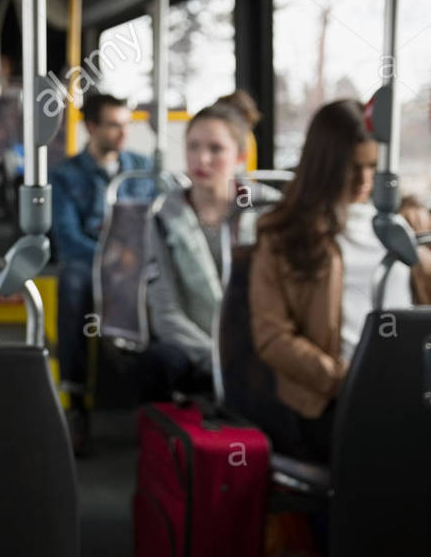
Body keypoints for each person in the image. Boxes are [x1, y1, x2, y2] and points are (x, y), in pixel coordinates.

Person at [250, 99, 431, 463]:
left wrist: (419, 239)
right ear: (326, 166)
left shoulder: (406, 224)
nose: (364, 180)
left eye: (372, 167)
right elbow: (273, 337)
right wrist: (345, 379)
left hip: (411, 382)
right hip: (332, 394)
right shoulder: (284, 236)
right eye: (352, 168)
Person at [140, 91, 261, 401]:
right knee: (158, 362)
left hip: (257, 345)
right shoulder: (164, 215)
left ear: (240, 156)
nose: (201, 159)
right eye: (193, 147)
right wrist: (216, 358)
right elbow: (165, 311)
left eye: (216, 149)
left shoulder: (265, 210)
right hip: (193, 347)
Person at [49, 91, 149, 455]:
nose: (122, 133)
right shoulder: (64, 176)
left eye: (126, 125)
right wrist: (112, 262)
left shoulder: (143, 167)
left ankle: (156, 401)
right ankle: (76, 402)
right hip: (90, 260)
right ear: (91, 127)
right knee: (73, 283)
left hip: (136, 261)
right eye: (112, 125)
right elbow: (67, 237)